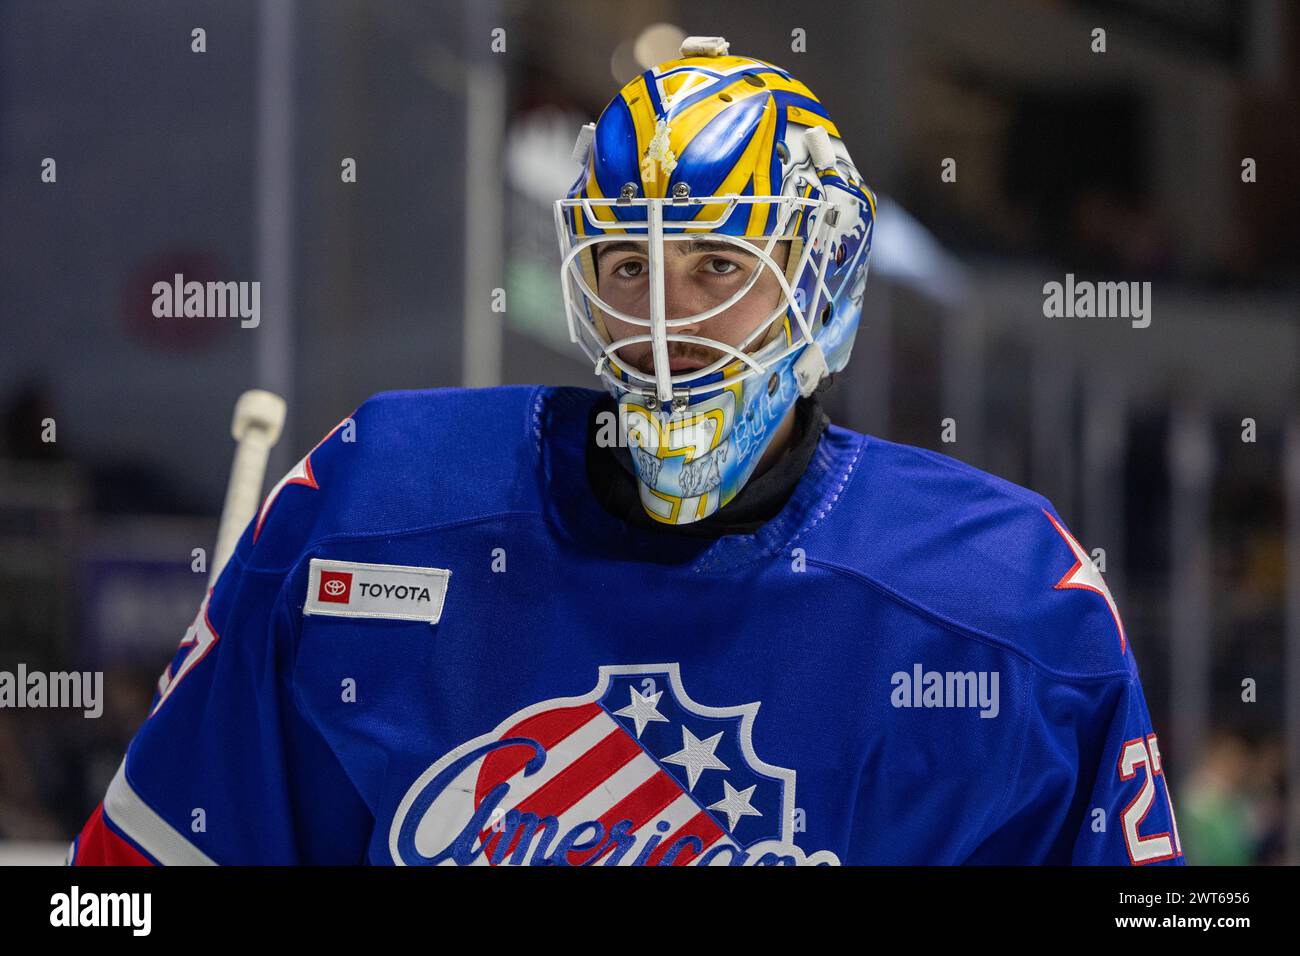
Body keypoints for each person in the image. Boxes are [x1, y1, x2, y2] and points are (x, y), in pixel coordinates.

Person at [70, 37, 1182, 866]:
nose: (664, 322)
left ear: (821, 287)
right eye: (625, 267)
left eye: (716, 266)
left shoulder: (1004, 604)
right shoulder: (373, 503)